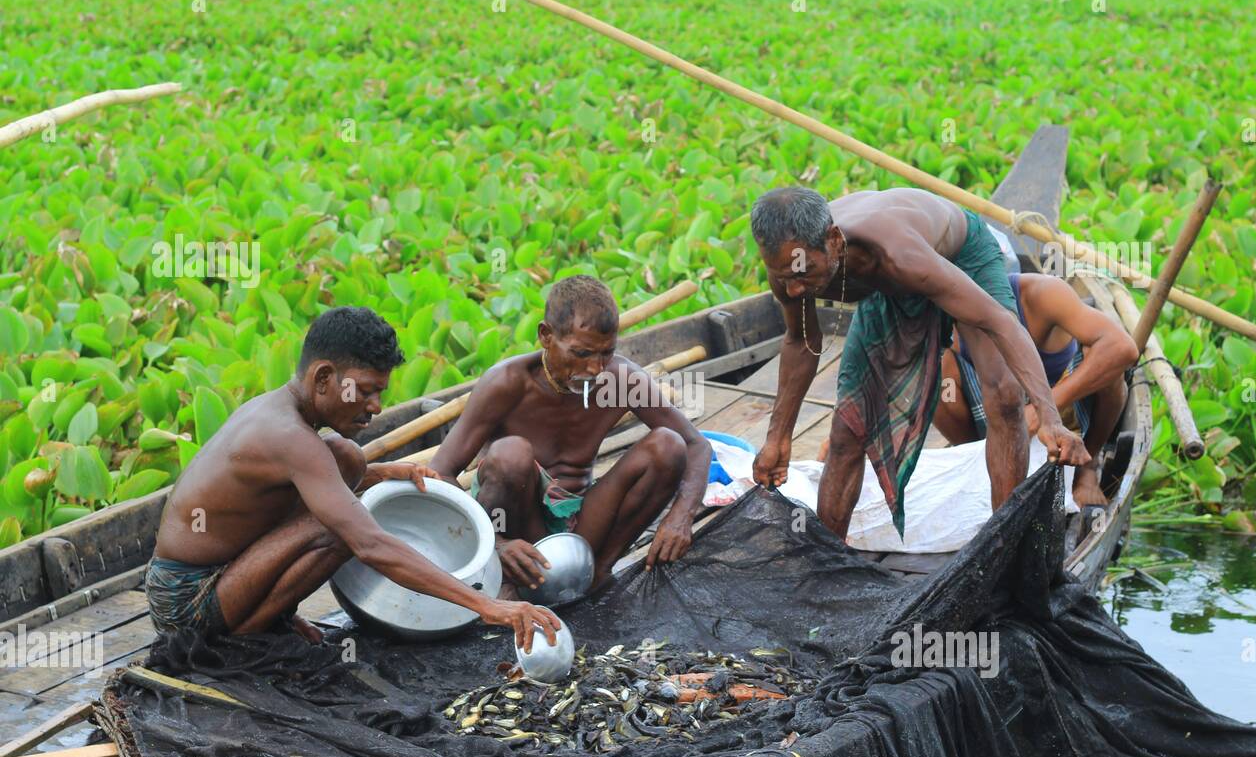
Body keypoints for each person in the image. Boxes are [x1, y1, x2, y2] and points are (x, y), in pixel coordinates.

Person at [147, 306, 561, 650]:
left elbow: (280, 491)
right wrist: (486, 606)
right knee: (345, 525)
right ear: (323, 377)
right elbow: (369, 543)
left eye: (380, 393)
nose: (375, 406)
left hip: (224, 570)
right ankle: (247, 631)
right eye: (364, 391)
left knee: (347, 458)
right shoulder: (289, 437)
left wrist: (381, 473)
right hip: (188, 602)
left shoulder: (285, 415)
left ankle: (273, 616)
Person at [748, 186, 1089, 540]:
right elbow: (802, 341)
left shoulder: (898, 254)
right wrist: (778, 439)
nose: (793, 290)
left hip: (959, 258)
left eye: (802, 274)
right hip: (889, 286)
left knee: (1003, 394)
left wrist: (1049, 417)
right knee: (848, 427)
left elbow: (1000, 324)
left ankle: (1004, 545)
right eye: (784, 277)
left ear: (834, 240)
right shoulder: (790, 266)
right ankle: (827, 556)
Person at [429, 276, 712, 593]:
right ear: (545, 336)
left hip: (582, 525)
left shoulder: (620, 380)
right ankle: (507, 580)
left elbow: (695, 444)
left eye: (606, 353)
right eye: (581, 353)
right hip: (517, 532)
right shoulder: (507, 383)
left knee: (668, 446)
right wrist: (497, 543)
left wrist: (681, 516)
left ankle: (597, 574)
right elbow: (439, 472)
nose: (595, 369)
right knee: (511, 455)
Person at [934, 272, 1139, 506]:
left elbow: (1123, 348)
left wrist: (1042, 409)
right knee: (938, 378)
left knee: (1107, 362)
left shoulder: (1042, 294)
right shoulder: (941, 309)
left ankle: (1087, 469)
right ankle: (979, 466)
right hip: (994, 418)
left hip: (1065, 416)